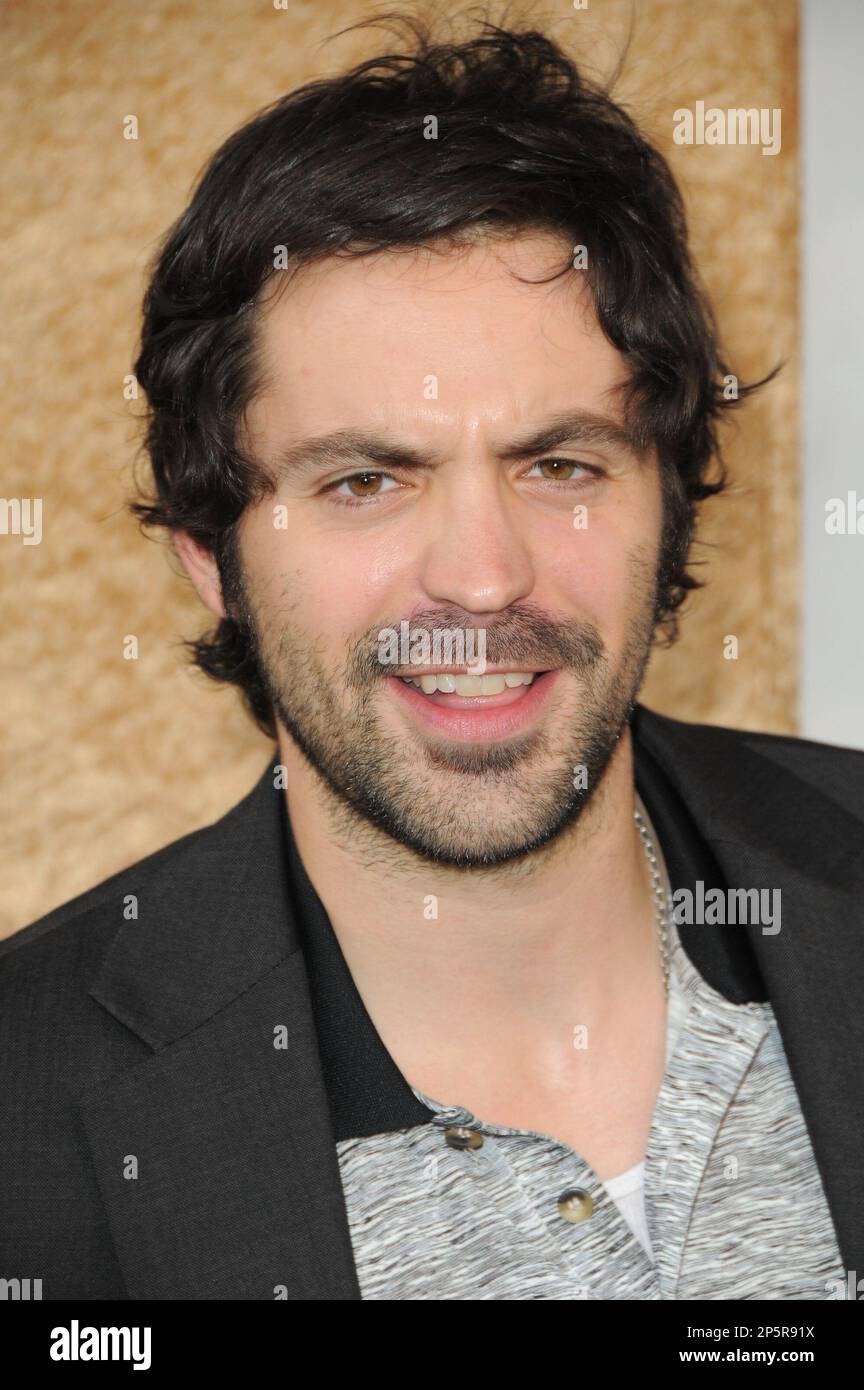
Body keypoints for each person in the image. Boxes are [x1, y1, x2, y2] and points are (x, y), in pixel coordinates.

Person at [2, 16, 862, 1302]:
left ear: (670, 502)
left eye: (560, 465)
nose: (482, 572)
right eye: (364, 480)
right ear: (208, 555)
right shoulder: (27, 1101)